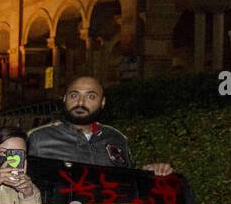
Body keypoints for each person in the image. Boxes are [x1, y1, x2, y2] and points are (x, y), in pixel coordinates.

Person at [28, 75, 172, 175]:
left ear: (102, 102)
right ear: (64, 99)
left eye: (90, 96)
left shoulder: (116, 138)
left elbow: (127, 177)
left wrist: (149, 172)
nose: (80, 103)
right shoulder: (38, 139)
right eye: (74, 95)